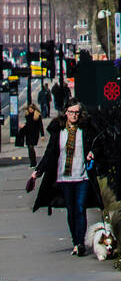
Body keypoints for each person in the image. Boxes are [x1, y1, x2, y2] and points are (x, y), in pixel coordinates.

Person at [29, 101, 104, 255]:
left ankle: (81, 243)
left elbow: (97, 145)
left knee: (80, 208)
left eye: (76, 113)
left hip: (82, 176)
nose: (74, 115)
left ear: (80, 114)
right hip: (64, 178)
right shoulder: (59, 131)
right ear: (65, 113)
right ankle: (75, 241)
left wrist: (92, 153)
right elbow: (50, 153)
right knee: (71, 211)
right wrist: (38, 171)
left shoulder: (86, 129)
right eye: (71, 112)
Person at [16, 102, 44, 167]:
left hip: (34, 133)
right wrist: (24, 125)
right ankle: (32, 161)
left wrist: (42, 135)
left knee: (31, 147)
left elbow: (40, 125)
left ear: (34, 109)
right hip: (28, 133)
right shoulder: (27, 115)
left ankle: (33, 163)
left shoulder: (37, 115)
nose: (30, 110)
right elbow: (28, 124)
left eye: (31, 109)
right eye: (29, 109)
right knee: (29, 147)